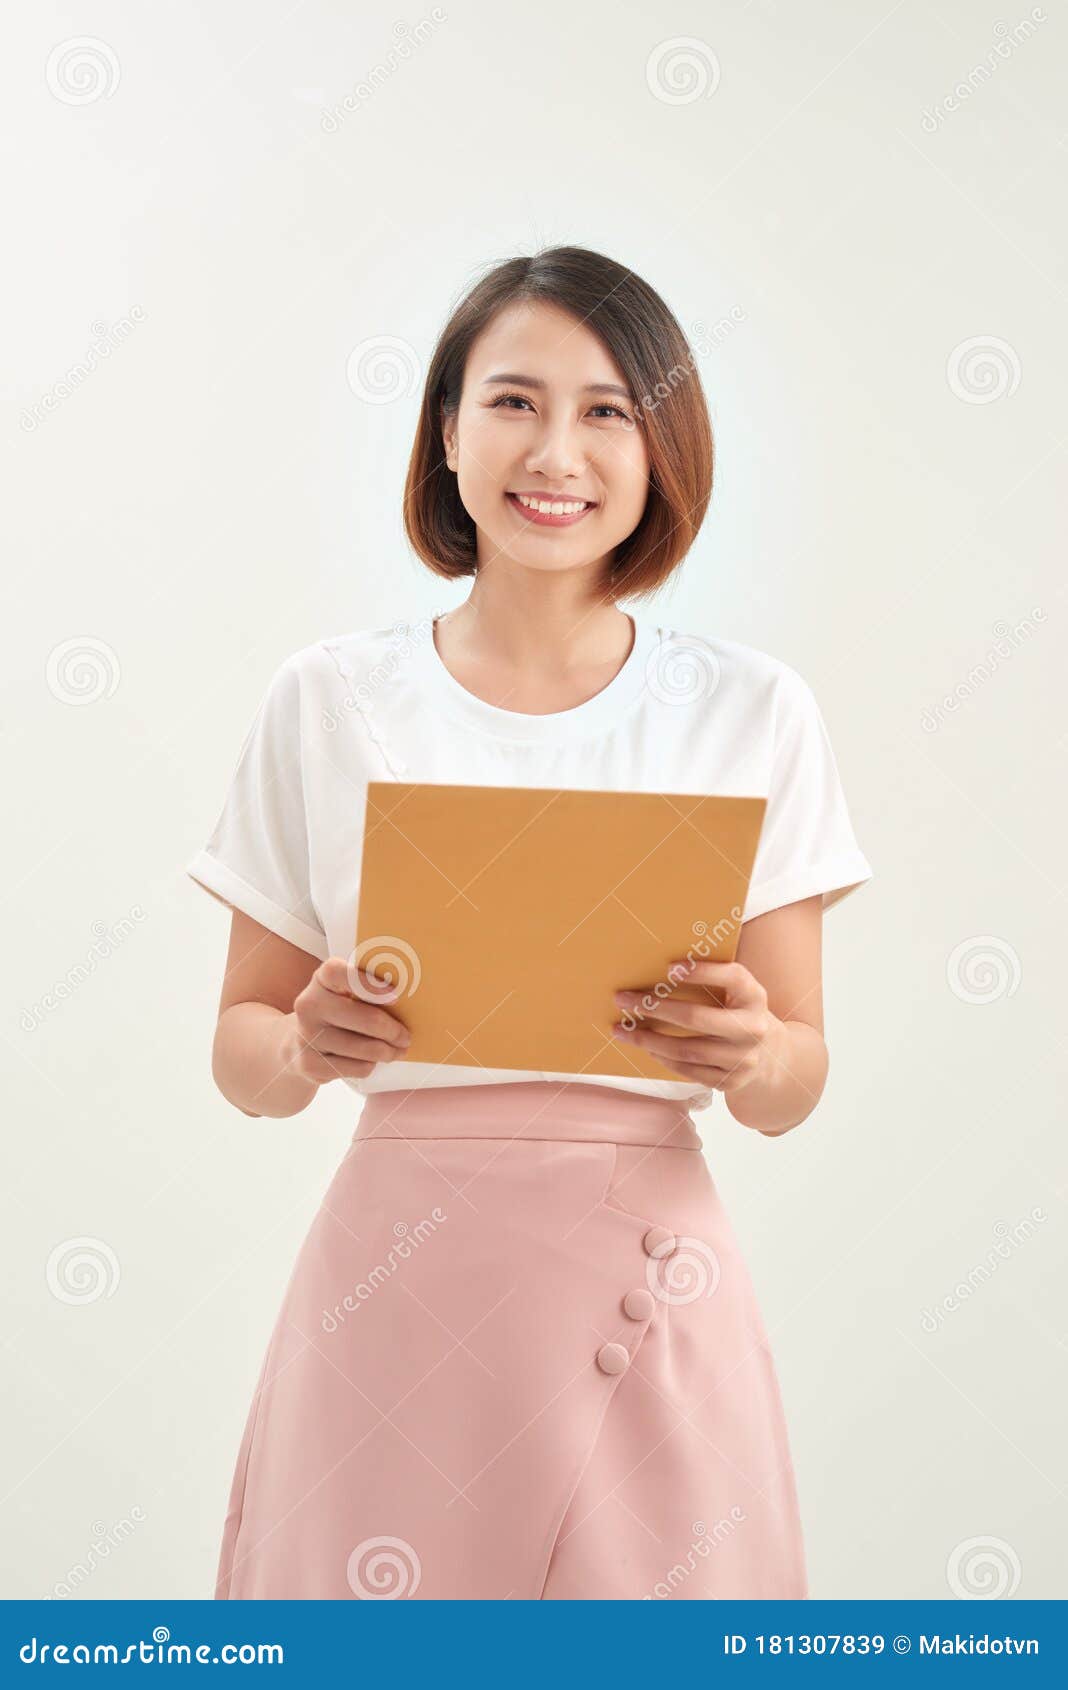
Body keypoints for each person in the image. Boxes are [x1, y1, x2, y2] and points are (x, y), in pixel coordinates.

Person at [186, 245, 873, 1601]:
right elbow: (241, 1054)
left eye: (608, 409)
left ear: (663, 446)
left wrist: (752, 1049)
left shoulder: (752, 710)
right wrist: (306, 1041)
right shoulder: (329, 699)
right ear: (444, 431)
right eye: (512, 401)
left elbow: (794, 1082)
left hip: (647, 1288)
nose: (556, 451)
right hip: (393, 1296)